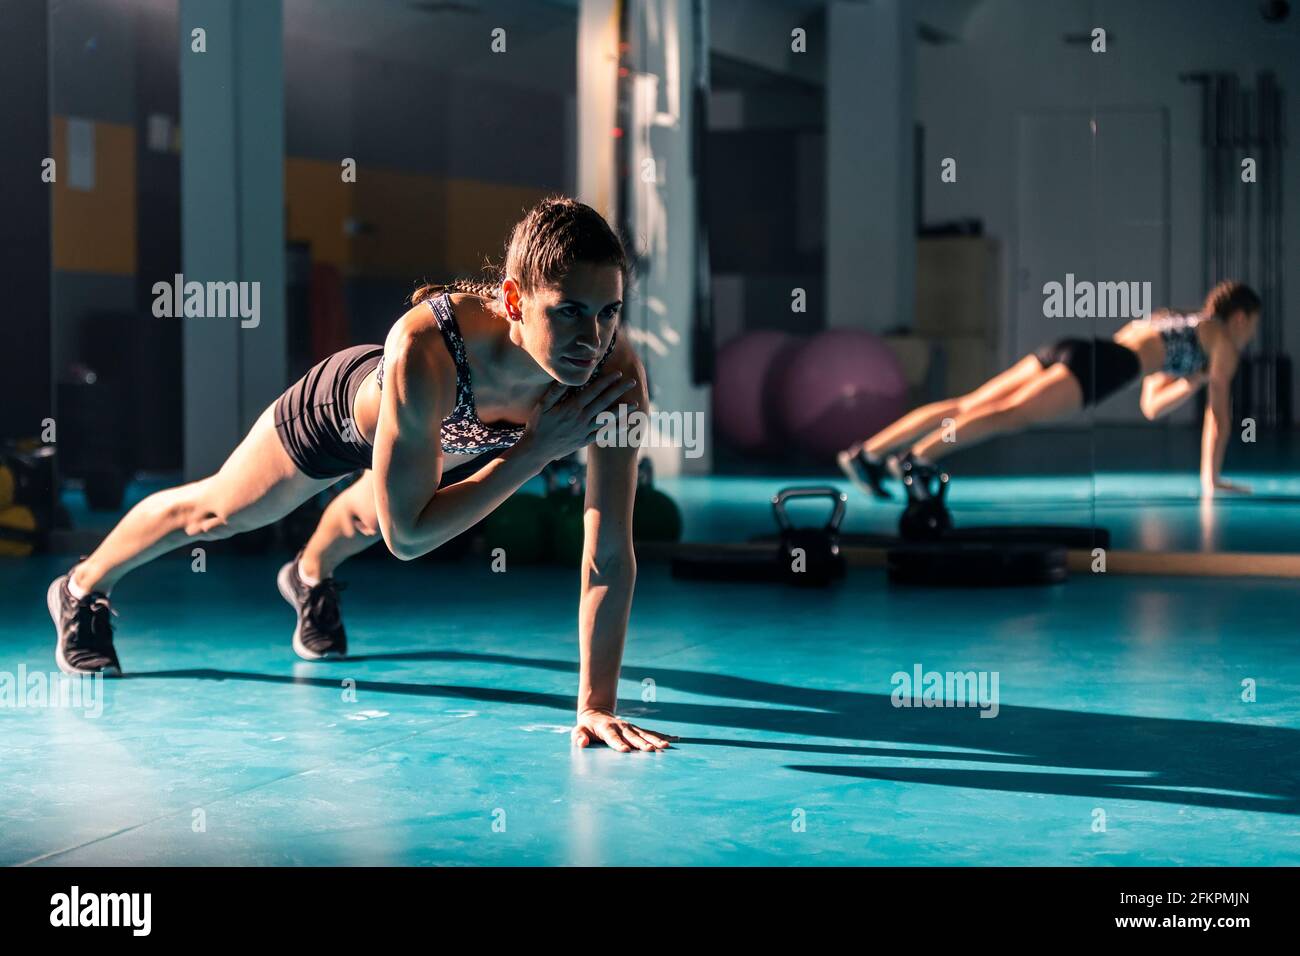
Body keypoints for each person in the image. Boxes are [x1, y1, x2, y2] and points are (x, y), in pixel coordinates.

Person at [47, 196, 672, 753]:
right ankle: (79, 589)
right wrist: (533, 453)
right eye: (568, 312)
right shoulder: (427, 346)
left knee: (368, 514)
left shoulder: (614, 382)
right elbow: (410, 541)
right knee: (222, 513)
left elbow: (609, 552)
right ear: (514, 299)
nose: (591, 337)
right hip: (340, 416)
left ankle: (308, 575)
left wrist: (596, 703)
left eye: (608, 312)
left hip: (455, 435)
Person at [839, 281, 1262, 502]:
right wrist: (1212, 480)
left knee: (968, 403)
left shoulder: (1173, 320)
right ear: (1239, 318)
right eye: (1254, 325)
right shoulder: (1222, 341)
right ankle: (917, 459)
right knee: (1009, 416)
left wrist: (1191, 381)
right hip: (1102, 368)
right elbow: (1219, 417)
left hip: (1073, 348)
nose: (1251, 336)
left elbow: (1152, 406)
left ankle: (868, 453)